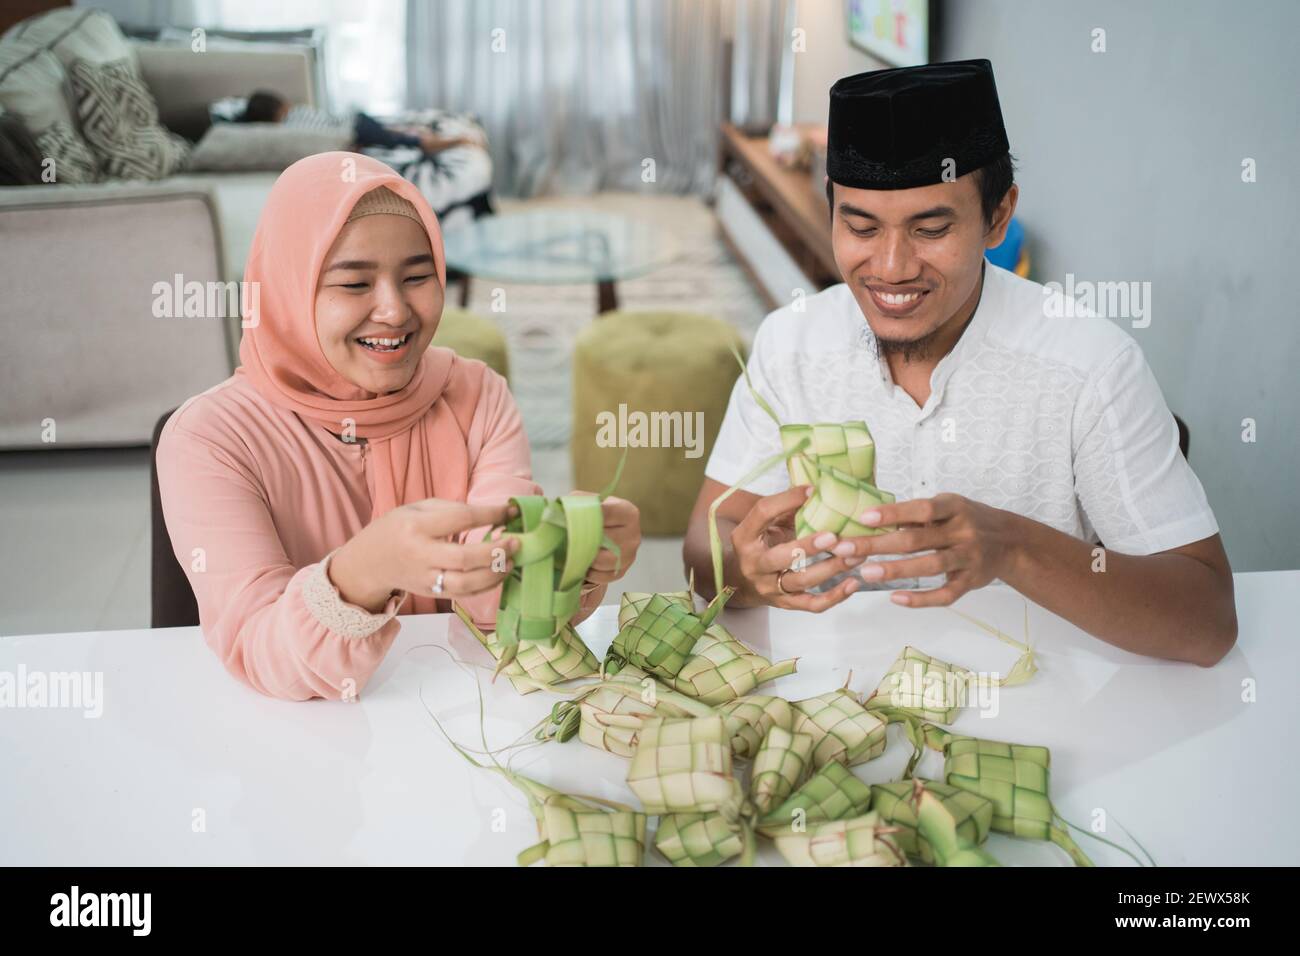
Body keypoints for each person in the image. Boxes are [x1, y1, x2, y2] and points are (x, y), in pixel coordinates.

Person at [683, 59, 1235, 666]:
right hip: (838, 687)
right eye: (861, 227)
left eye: (931, 228)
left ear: (998, 217)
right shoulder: (789, 343)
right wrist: (747, 570)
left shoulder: (1091, 366)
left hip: (1046, 706)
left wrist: (1013, 548)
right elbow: (701, 555)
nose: (891, 267)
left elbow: (1207, 622)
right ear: (831, 212)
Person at [157, 152, 640, 701]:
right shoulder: (208, 439)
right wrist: (362, 572)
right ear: (288, 292)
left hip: (451, 719)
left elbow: (495, 607)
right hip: (300, 748)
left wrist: (569, 560)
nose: (394, 310)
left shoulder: (477, 394)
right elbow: (261, 652)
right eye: (354, 284)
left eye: (416, 276)